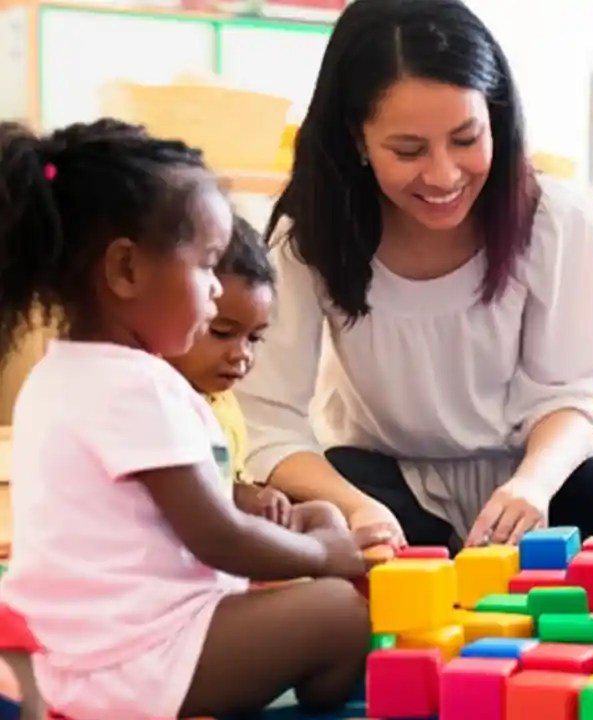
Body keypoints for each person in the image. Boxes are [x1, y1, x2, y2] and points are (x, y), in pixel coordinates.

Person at [236, 0, 593, 551]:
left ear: (496, 116)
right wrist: (357, 508)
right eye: (408, 150)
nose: (443, 175)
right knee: (302, 526)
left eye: (466, 139)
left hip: (542, 473)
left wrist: (531, 489)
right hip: (380, 479)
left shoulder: (557, 220)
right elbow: (272, 422)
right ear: (357, 140)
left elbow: (567, 398)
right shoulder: (308, 236)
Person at [0, 119, 374, 719]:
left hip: (76, 647)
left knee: (314, 541)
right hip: (129, 665)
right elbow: (221, 540)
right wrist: (327, 555)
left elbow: (164, 515)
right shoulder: (136, 385)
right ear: (126, 271)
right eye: (205, 266)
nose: (213, 295)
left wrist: (281, 514)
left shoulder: (63, 372)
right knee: (341, 612)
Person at [166, 216, 347, 531]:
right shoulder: (165, 404)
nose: (242, 354)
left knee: (325, 516)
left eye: (254, 338)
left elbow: (228, 480)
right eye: (222, 332)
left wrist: (255, 495)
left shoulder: (221, 402)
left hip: (227, 540)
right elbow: (195, 512)